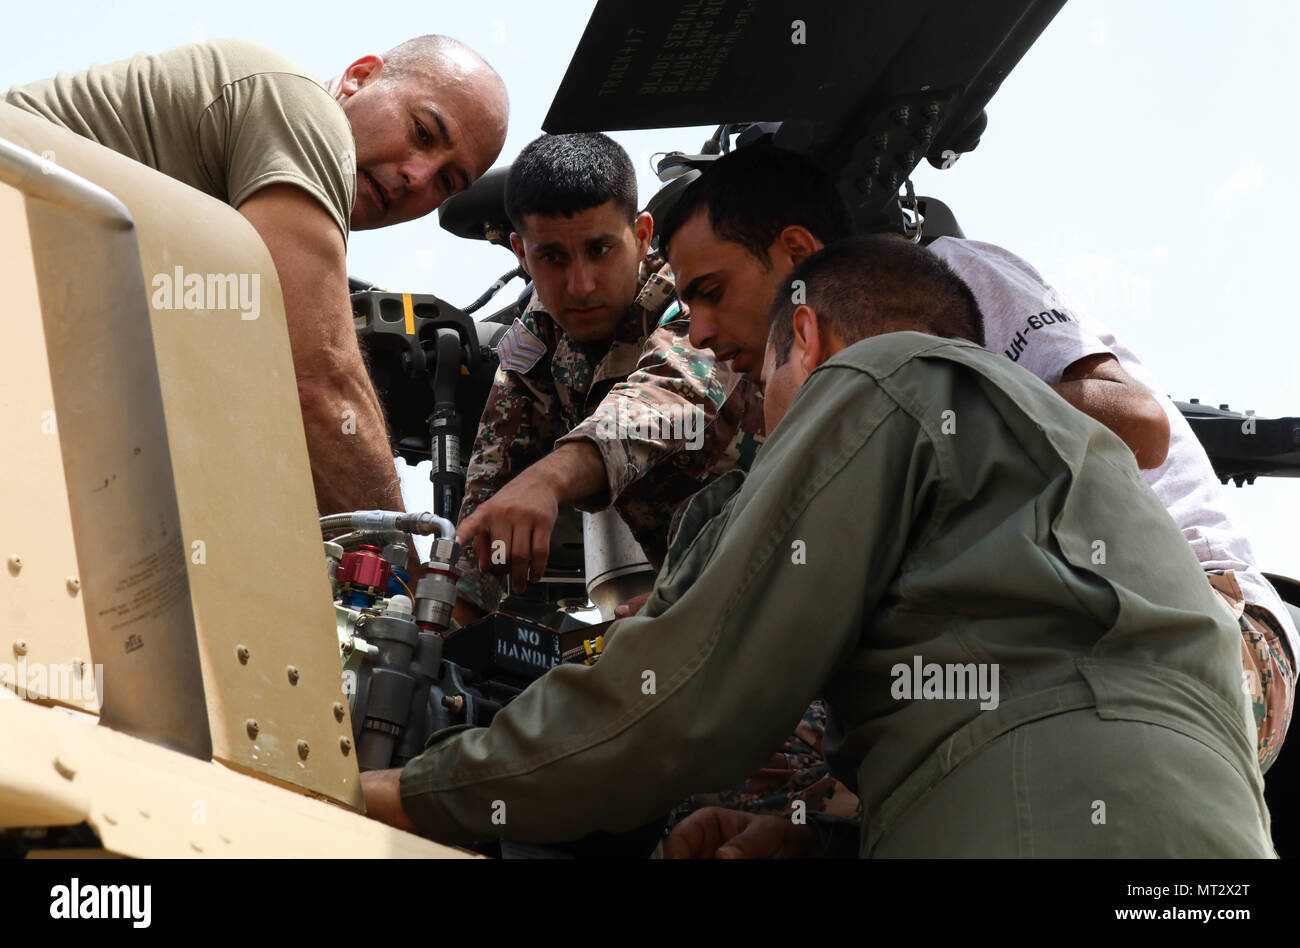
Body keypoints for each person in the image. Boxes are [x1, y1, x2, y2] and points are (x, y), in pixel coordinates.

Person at [361, 236, 1273, 858]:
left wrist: (410, 794)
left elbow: (681, 699)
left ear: (806, 335)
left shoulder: (884, 374)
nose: (755, 411)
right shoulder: (1057, 462)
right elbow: (1016, 687)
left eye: (760, 376)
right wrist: (818, 828)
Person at [658, 143, 1296, 771]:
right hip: (1061, 649)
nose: (702, 333)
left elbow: (1138, 422)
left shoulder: (946, 273)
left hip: (1206, 621)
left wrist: (910, 424)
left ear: (795, 254)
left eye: (712, 291)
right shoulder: (786, 402)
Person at [4, 36, 509, 517]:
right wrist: (401, 572)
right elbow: (318, 381)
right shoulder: (300, 106)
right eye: (422, 132)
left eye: (446, 182)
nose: (417, 177)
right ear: (359, 77)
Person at [450, 132, 763, 625]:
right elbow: (490, 511)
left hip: (799, 568)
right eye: (552, 257)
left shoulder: (691, 294)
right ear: (520, 253)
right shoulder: (535, 344)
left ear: (641, 235)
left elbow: (670, 399)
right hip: (702, 603)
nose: (580, 285)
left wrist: (549, 479)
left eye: (600, 250)